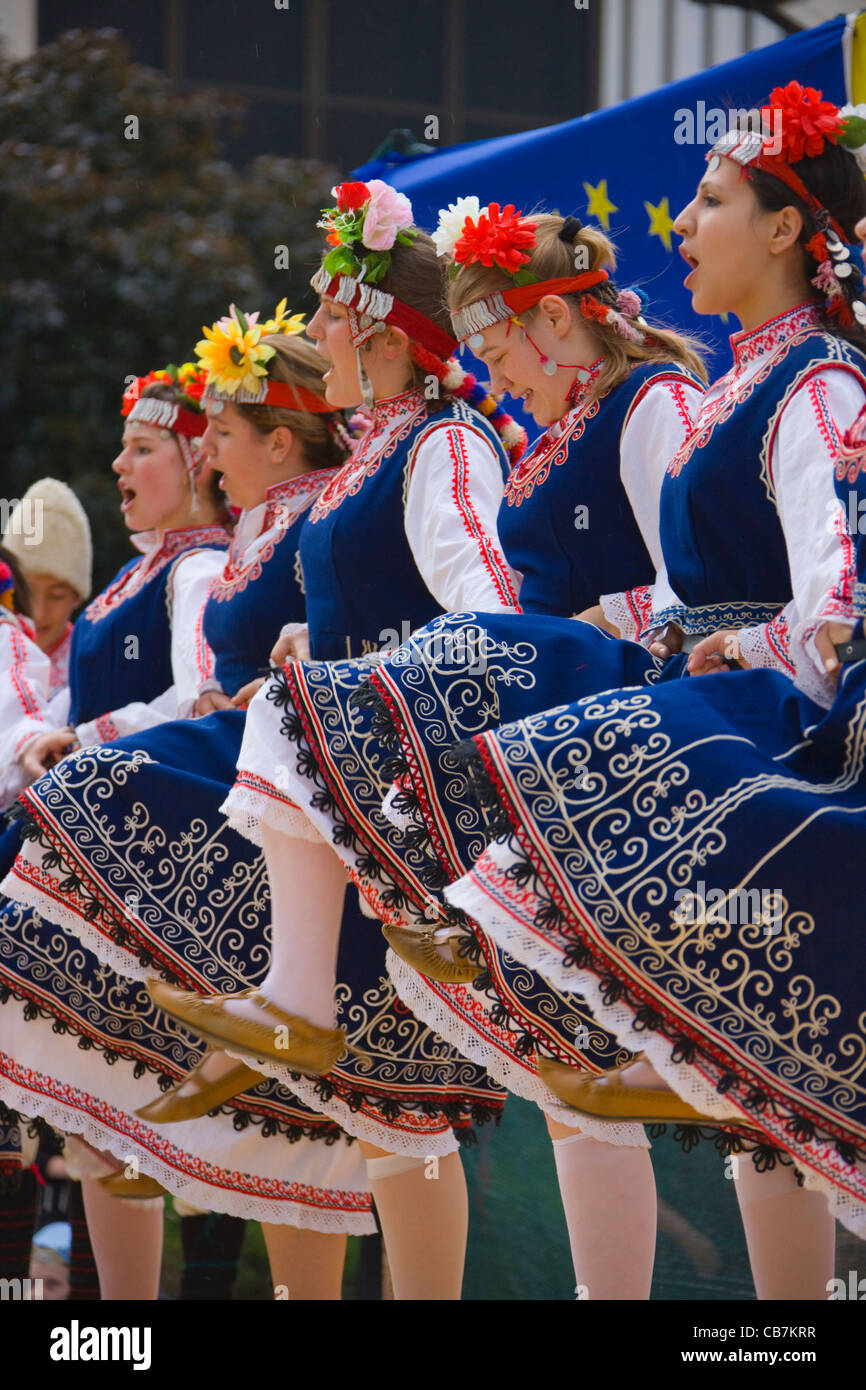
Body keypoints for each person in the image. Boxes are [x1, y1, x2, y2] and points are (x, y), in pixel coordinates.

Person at [442, 86, 866, 1290]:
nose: (681, 222)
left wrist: (739, 646)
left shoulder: (809, 382)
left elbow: (833, 590)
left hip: (781, 721)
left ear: (785, 230)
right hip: (720, 698)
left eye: (710, 199)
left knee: (575, 763)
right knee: (751, 1067)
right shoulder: (735, 386)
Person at [140, 179, 527, 1299]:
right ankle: (286, 997)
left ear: (379, 329)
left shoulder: (445, 444)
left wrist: (365, 676)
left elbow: (484, 607)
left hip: (416, 781)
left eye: (325, 313)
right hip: (359, 777)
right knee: (385, 1099)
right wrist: (327, 641)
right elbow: (385, 605)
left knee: (418, 1097)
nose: (313, 336)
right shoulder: (382, 447)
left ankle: (287, 996)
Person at [0, 347, 375, 1298]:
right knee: (112, 1107)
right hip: (149, 836)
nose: (122, 468)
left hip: (190, 843)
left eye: (145, 448)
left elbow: (195, 697)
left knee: (260, 1115)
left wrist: (81, 736)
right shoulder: (154, 572)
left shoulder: (204, 566)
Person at [2, 476, 92, 694]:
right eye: (27, 592)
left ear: (77, 596)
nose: (38, 613)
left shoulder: (93, 667)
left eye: (57, 595)